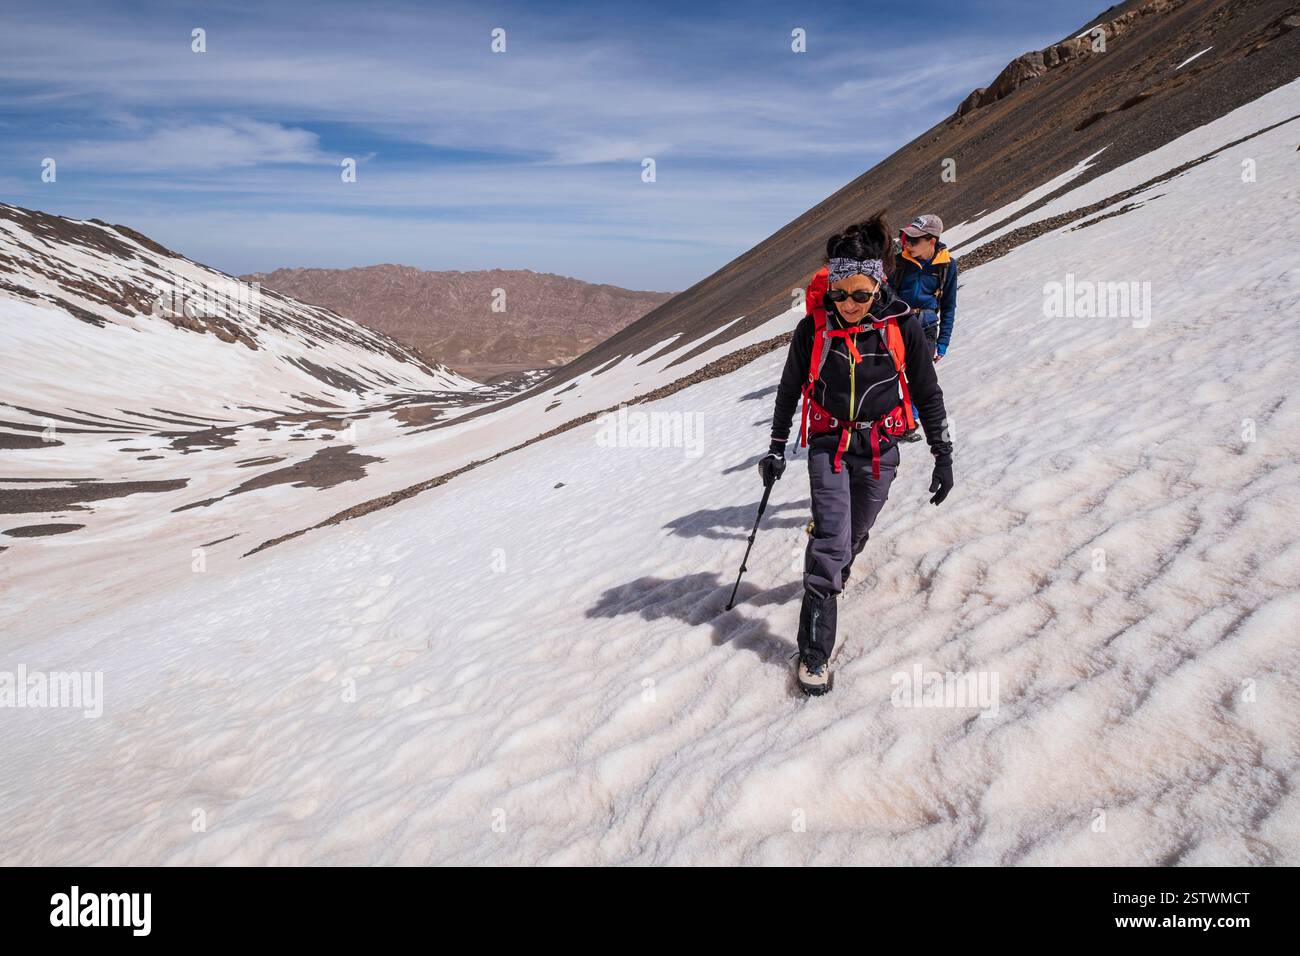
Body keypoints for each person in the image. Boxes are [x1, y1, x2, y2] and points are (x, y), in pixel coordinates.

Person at [758, 212, 953, 696]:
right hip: (829, 448)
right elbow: (789, 392)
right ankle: (815, 653)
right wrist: (776, 449)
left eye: (860, 294)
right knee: (830, 542)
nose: (848, 304)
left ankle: (835, 560)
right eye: (840, 294)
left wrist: (942, 452)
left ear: (879, 287)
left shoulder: (902, 327)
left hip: (880, 450)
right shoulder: (813, 329)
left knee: (853, 534)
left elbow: (927, 392)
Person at [889, 214, 957, 441]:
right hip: (898, 324)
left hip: (927, 329)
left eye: (914, 240)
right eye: (906, 237)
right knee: (889, 373)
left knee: (919, 377)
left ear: (932, 241)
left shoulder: (947, 266)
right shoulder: (899, 263)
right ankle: (890, 418)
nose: (907, 243)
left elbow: (948, 305)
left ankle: (910, 421)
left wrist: (943, 342)